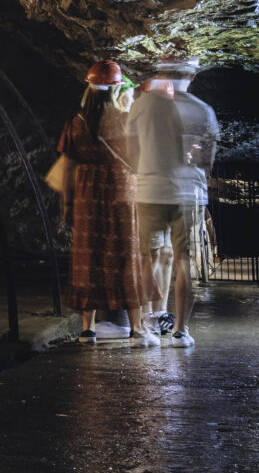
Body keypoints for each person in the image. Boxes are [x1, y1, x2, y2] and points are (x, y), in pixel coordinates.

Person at [127, 58, 219, 348]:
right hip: (187, 193)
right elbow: (207, 159)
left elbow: (130, 150)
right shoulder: (202, 109)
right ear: (191, 75)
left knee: (147, 260)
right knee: (182, 261)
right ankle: (180, 331)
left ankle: (144, 330)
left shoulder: (141, 105)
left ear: (161, 73)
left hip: (149, 191)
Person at [55, 60, 146, 343]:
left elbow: (67, 167)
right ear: (115, 90)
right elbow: (140, 160)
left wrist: (67, 204)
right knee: (127, 259)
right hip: (122, 194)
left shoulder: (76, 123)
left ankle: (88, 329)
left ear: (89, 89)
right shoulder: (126, 120)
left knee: (89, 259)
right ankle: (136, 329)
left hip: (88, 197)